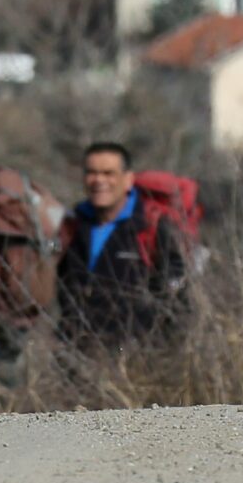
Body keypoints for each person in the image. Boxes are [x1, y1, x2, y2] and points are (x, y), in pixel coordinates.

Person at [53, 142, 191, 347]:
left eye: (109, 173)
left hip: (136, 361)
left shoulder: (151, 227)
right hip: (77, 356)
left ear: (128, 180)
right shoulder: (73, 225)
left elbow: (176, 302)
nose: (99, 180)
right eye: (92, 173)